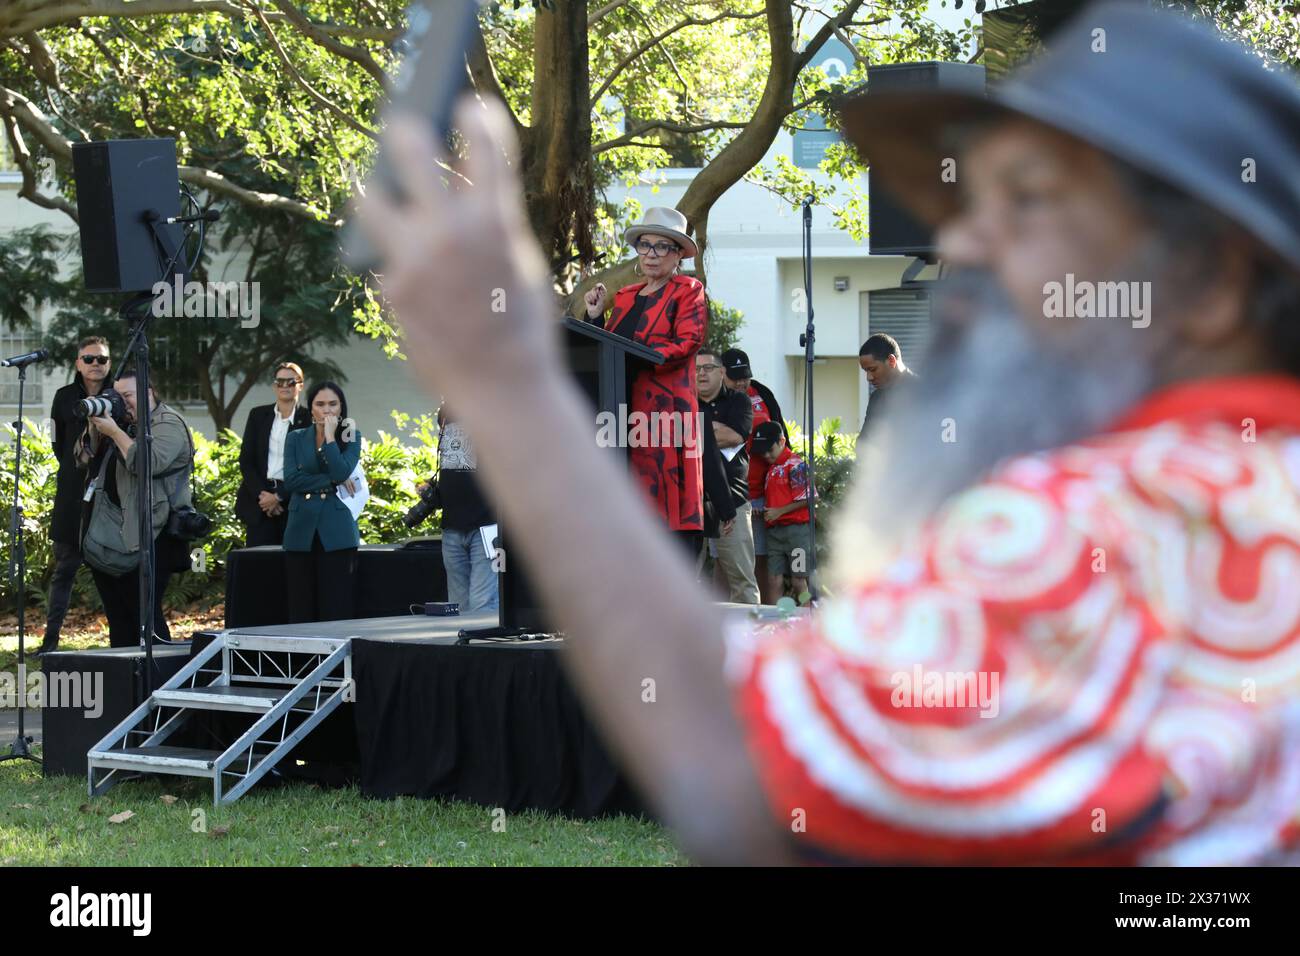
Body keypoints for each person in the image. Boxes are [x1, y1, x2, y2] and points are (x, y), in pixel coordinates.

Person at [357, 0, 1300, 864]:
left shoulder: (1103, 524)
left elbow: (748, 766)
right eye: (968, 203)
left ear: (1212, 281)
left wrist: (507, 381)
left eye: (1029, 200)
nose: (960, 242)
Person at [582, 207, 707, 555]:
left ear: (678, 253)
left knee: (666, 517)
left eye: (662, 247)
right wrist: (595, 317)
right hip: (620, 414)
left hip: (665, 417)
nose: (651, 254)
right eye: (645, 245)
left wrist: (640, 352)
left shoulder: (687, 290)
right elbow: (607, 349)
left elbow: (688, 340)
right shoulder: (623, 297)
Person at [79, 373, 193, 648]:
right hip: (115, 534)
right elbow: (81, 458)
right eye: (117, 397)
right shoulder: (121, 425)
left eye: (127, 396)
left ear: (150, 392)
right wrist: (97, 427)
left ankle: (158, 684)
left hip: (156, 533)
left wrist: (115, 433)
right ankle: (126, 687)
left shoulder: (169, 424)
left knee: (146, 620)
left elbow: (148, 463)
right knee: (119, 621)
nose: (122, 403)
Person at [39, 336, 111, 655]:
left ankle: (123, 641)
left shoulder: (118, 395)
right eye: (89, 359)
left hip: (109, 495)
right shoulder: (64, 396)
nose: (96, 364)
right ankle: (50, 642)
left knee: (112, 572)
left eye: (102, 359)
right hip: (71, 496)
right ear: (77, 363)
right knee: (64, 569)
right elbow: (57, 444)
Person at [281, 382, 362, 624]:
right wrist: (332, 481)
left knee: (336, 603)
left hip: (336, 528)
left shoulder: (351, 434)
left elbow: (341, 470)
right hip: (300, 526)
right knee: (300, 602)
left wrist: (329, 438)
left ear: (341, 407)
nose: (327, 410)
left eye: (333, 404)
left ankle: (337, 662)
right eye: (320, 404)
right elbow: (292, 480)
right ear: (311, 408)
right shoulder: (296, 437)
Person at [720, 348, 785, 604]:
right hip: (728, 495)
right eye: (735, 377)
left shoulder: (762, 394)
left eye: (745, 376)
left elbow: (782, 441)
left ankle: (766, 621)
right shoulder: (712, 398)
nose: (741, 382)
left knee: (762, 560)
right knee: (726, 562)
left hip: (762, 497)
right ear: (722, 374)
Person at [695, 350, 757, 603]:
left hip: (733, 500)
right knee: (681, 579)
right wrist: (714, 431)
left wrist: (697, 432)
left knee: (742, 582)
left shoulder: (739, 402)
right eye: (696, 368)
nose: (701, 373)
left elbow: (735, 436)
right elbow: (677, 439)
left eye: (708, 368)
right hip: (690, 502)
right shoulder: (683, 402)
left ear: (722, 372)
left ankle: (750, 640)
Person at [429, 404, 499, 613]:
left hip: (485, 526)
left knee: (482, 601)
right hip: (452, 526)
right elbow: (453, 470)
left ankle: (484, 646)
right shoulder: (445, 413)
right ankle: (463, 644)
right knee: (457, 605)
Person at [235, 361, 311, 547]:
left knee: (291, 566)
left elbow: (309, 465)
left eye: (291, 382)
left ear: (301, 385)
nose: (285, 386)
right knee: (259, 566)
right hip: (259, 502)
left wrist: (279, 496)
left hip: (294, 501)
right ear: (274, 385)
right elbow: (247, 460)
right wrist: (265, 497)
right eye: (280, 381)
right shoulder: (258, 415)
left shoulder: (309, 419)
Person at [750, 421, 815, 602]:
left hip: (797, 532)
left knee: (798, 579)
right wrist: (760, 511)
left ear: (782, 441)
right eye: (762, 451)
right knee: (773, 579)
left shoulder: (795, 464)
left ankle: (805, 617)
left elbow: (810, 498)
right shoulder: (770, 469)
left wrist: (779, 512)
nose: (766, 455)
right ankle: (775, 622)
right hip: (774, 534)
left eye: (769, 449)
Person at [856, 333, 917, 445]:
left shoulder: (926, 391)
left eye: (873, 369)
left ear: (891, 361)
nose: (869, 377)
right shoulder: (876, 398)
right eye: (866, 371)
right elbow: (864, 441)